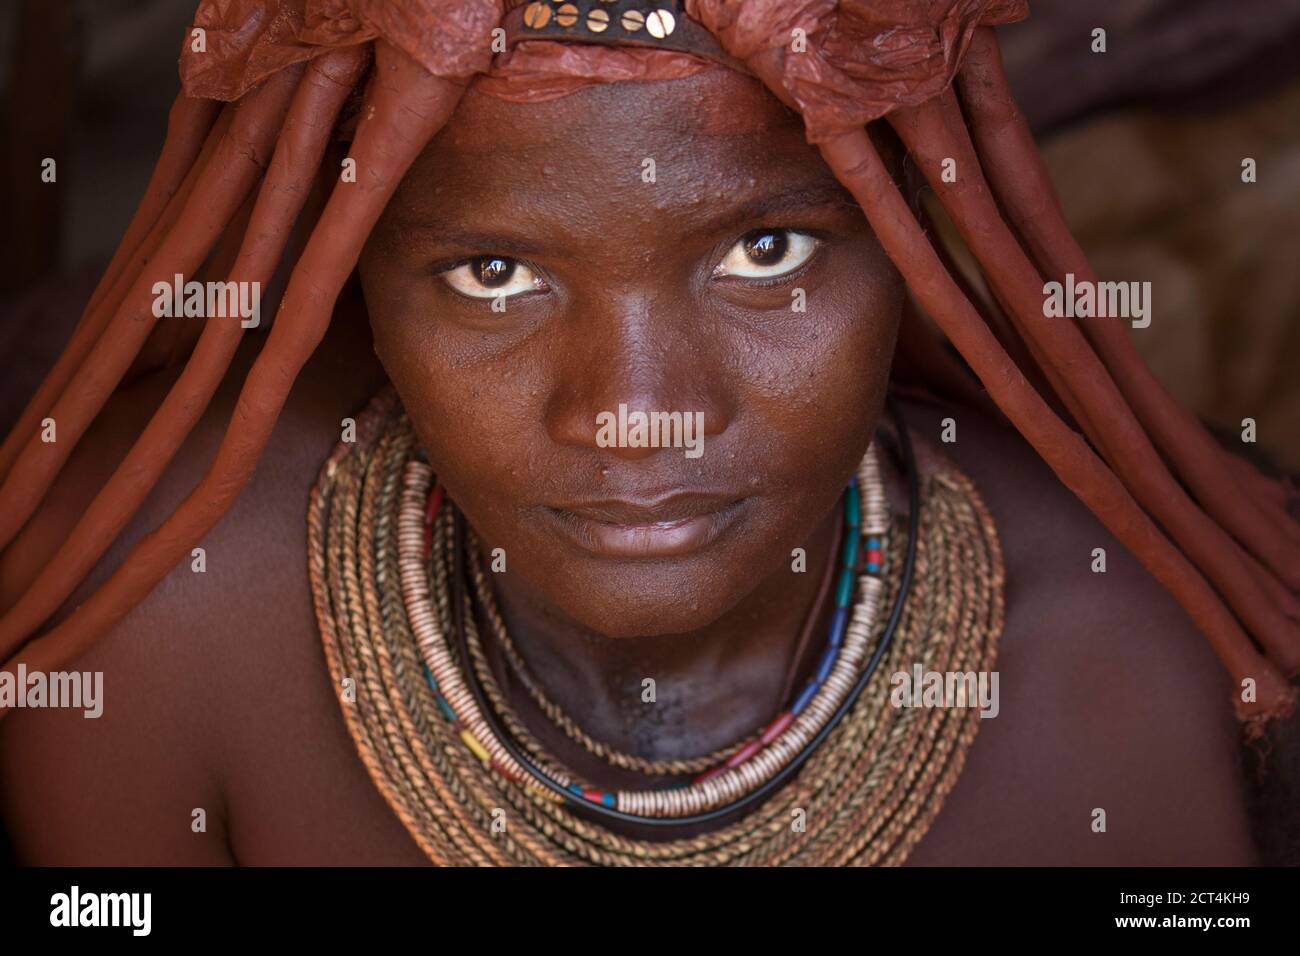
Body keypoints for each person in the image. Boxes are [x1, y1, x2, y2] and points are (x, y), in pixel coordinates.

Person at [0, 0, 1293, 865]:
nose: (632, 410)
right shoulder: (162, 619)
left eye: (764, 251)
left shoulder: (1105, 671)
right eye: (493, 275)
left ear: (905, 248)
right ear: (359, 292)